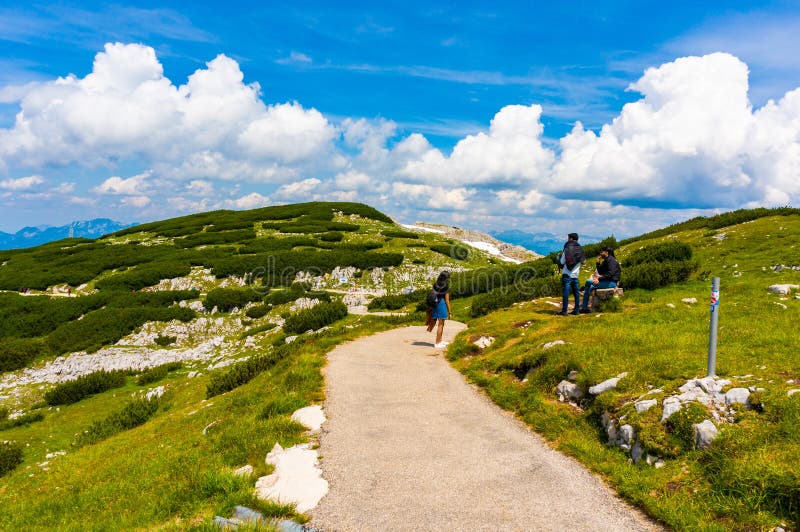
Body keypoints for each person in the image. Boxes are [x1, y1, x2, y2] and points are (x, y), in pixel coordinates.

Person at [580, 246, 621, 313]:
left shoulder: (612, 261)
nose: (600, 254)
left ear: (606, 252)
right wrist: (598, 263)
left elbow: (610, 274)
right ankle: (585, 308)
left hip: (611, 282)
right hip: (606, 281)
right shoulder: (606, 260)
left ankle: (584, 307)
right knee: (590, 287)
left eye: (601, 252)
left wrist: (599, 278)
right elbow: (601, 271)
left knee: (588, 281)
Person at [558, 233, 585, 315]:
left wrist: (559, 258)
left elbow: (562, 262)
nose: (567, 239)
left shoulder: (567, 248)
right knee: (576, 293)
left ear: (571, 239)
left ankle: (564, 311)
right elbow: (583, 261)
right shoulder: (580, 249)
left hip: (567, 274)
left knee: (566, 292)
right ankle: (576, 310)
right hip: (575, 274)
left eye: (568, 238)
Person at [429, 271, 451, 348]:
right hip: (441, 305)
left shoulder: (436, 284)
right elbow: (447, 300)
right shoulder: (446, 287)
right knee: (441, 325)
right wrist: (449, 312)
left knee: (441, 324)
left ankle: (440, 340)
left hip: (435, 305)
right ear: (446, 278)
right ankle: (438, 343)